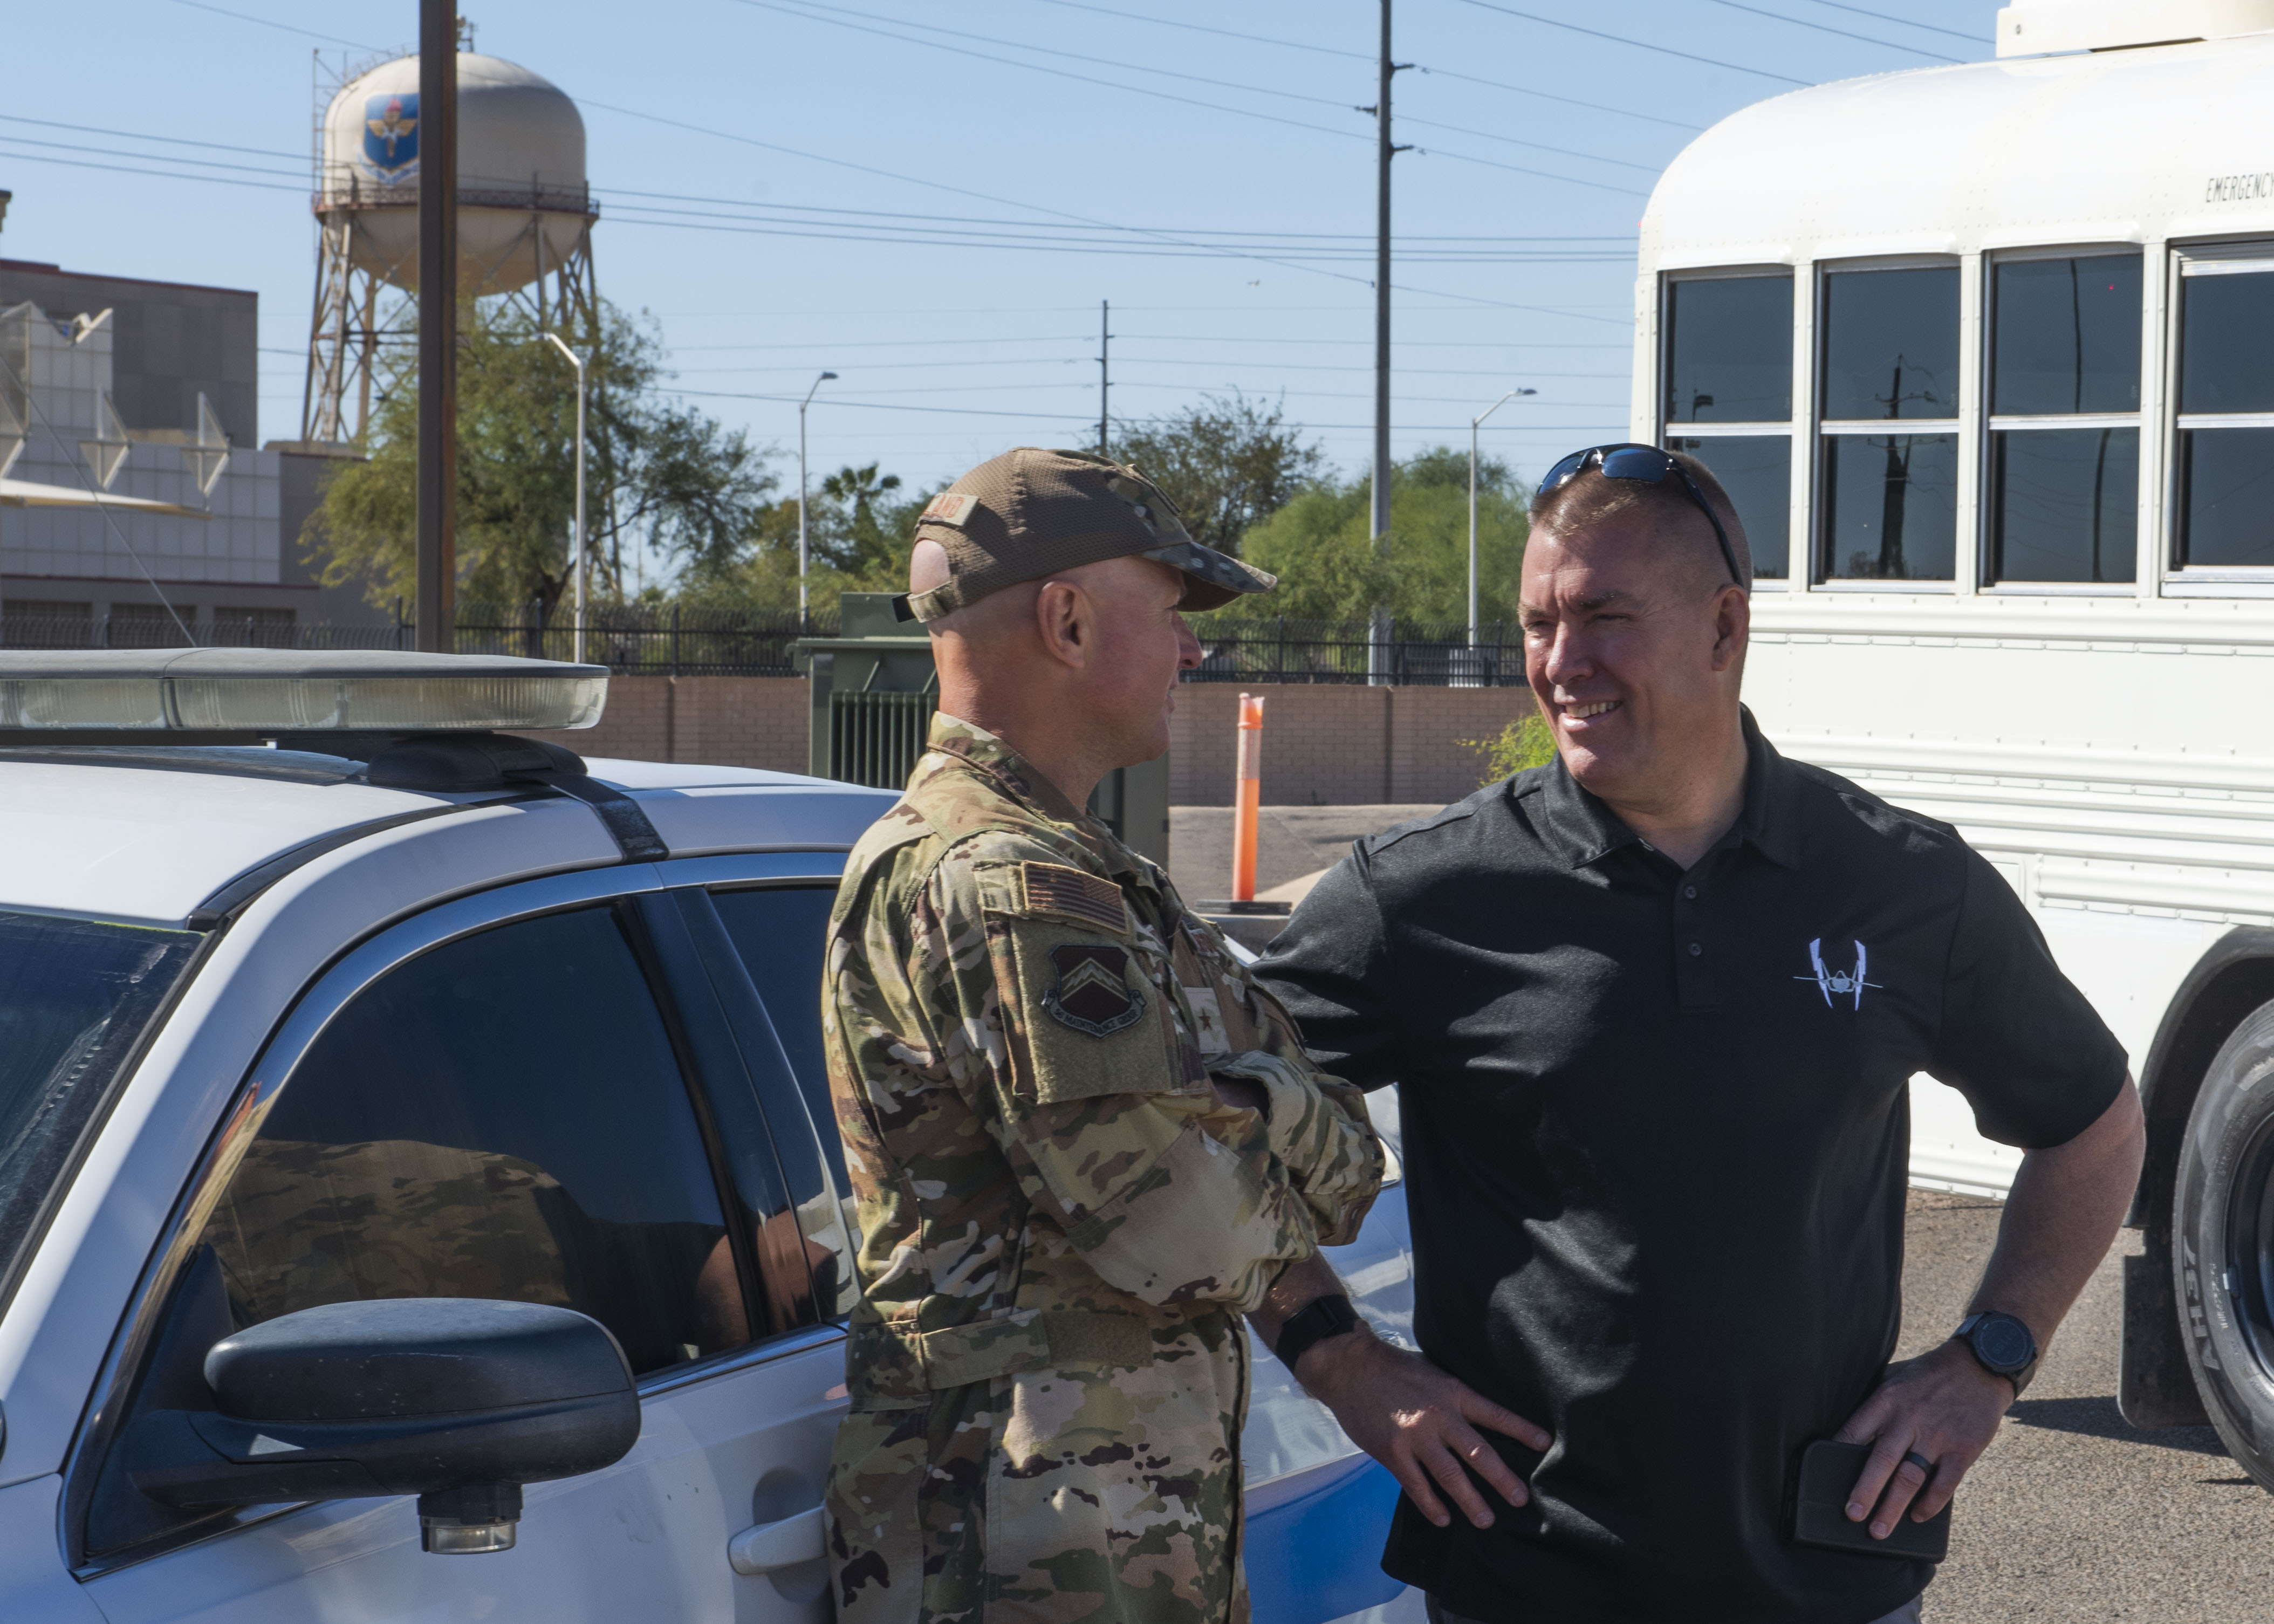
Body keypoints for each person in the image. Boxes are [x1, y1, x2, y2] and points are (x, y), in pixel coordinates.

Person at [1252, 445, 2147, 1624]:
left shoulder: (1902, 883)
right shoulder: (1420, 899)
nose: (1560, 663)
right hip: (1524, 1577)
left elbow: (2093, 1126)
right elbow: (1200, 1128)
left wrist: (1987, 1358)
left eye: (1604, 617)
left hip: (1831, 1576)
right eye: (1537, 625)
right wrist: (1339, 1359)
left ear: (1725, 626)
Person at [820, 446, 1388, 1624]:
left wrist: (1250, 1121)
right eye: (1172, 611)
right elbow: (1183, 1229)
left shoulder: (1084, 873)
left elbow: (1335, 1175)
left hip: (1090, 1531)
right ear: (1066, 622)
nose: (1193, 652)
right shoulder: (1008, 886)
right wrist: (1278, 1109)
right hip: (1023, 1553)